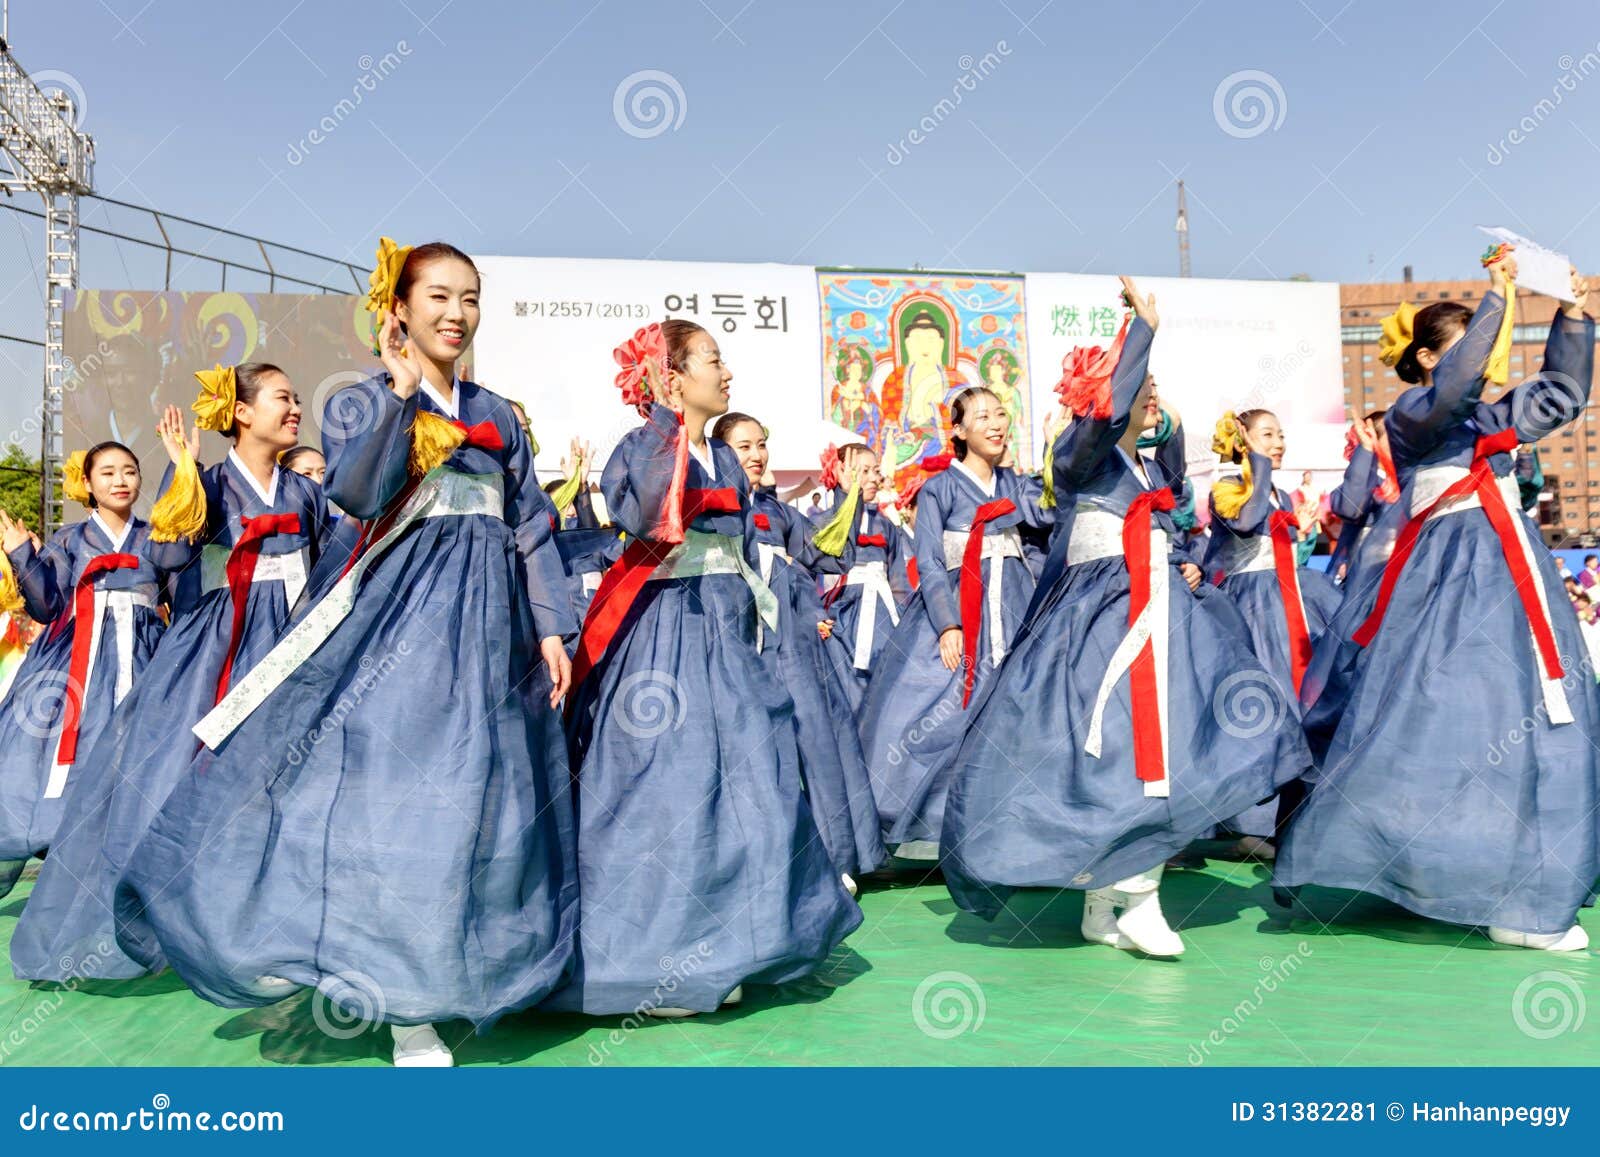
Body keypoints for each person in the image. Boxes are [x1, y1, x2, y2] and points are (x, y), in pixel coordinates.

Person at [117, 239, 580, 1065]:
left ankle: (464, 964)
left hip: (489, 627)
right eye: (437, 295)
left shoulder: (501, 413)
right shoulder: (361, 400)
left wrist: (551, 624)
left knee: (485, 795)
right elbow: (358, 492)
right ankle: (405, 1003)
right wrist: (402, 398)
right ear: (397, 309)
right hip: (402, 623)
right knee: (404, 799)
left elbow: (533, 523)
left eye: (469, 297)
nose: (456, 313)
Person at [938, 278, 1313, 957]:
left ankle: (1104, 901)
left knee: (1160, 743)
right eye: (1138, 386)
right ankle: (1135, 893)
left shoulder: (1139, 464)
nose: (1151, 396)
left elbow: (1165, 447)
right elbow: (1111, 411)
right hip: (1103, 620)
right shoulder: (1079, 452)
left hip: (1159, 612)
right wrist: (1140, 331)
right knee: (1123, 747)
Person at [1276, 255, 1597, 951]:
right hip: (1451, 571)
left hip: (1515, 568)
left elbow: (1565, 390)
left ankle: (1522, 885)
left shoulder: (1493, 415)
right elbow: (1454, 387)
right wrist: (1499, 298)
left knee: (1532, 710)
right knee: (1450, 710)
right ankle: (1433, 867)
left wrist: (1572, 314)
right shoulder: (1413, 413)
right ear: (1425, 357)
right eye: (1476, 344)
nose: (1489, 359)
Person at [556, 319, 860, 1017]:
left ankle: (731, 941)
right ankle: (657, 958)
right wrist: (667, 422)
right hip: (664, 630)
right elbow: (643, 515)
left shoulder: (724, 458)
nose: (728, 375)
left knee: (752, 776)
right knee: (667, 784)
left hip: (724, 627)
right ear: (672, 376)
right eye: (713, 361)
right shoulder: (640, 447)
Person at [11, 370, 331, 980]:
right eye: (283, 399)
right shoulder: (206, 483)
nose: (296, 409)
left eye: (295, 398)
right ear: (240, 411)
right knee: (181, 778)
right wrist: (183, 470)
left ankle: (283, 926)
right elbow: (167, 560)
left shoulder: (302, 492)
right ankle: (170, 918)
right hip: (226, 648)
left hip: (297, 644)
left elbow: (326, 563)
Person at [858, 387, 1049, 859]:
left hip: (1014, 603)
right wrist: (948, 626)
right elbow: (927, 562)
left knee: (1016, 709)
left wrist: (1053, 447)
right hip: (962, 609)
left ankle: (1009, 824)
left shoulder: (1016, 483)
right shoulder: (941, 487)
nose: (995, 423)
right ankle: (934, 824)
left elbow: (1046, 510)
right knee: (942, 710)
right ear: (959, 432)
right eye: (981, 416)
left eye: (1001, 413)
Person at [713, 410, 885, 892]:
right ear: (719, 450)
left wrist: (848, 499)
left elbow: (828, 555)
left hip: (791, 644)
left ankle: (834, 859)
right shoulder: (712, 508)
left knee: (817, 739)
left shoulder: (777, 513)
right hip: (738, 642)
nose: (755, 454)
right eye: (743, 446)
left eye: (760, 444)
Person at [0, 443, 162, 903]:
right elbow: (47, 606)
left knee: (136, 759)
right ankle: (71, 871)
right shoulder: (70, 539)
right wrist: (21, 557)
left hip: (145, 658)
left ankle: (128, 875)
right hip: (81, 666)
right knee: (75, 760)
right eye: (107, 472)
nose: (120, 480)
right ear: (87, 484)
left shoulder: (155, 538)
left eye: (129, 471)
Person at [1203, 408, 1343, 854]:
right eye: (1268, 435)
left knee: (1304, 703)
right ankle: (1248, 823)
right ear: (1244, 441)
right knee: (1260, 707)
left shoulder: (1280, 492)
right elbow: (1244, 522)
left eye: (1281, 434)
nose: (1279, 442)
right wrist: (1255, 465)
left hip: (1291, 605)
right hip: (1253, 609)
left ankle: (1297, 816)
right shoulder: (1227, 484)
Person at [811, 442, 909, 713]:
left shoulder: (886, 525)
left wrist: (904, 618)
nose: (873, 478)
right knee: (844, 690)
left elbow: (898, 577)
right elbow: (806, 575)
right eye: (863, 471)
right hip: (840, 614)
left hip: (882, 615)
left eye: (875, 471)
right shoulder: (822, 522)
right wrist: (815, 613)